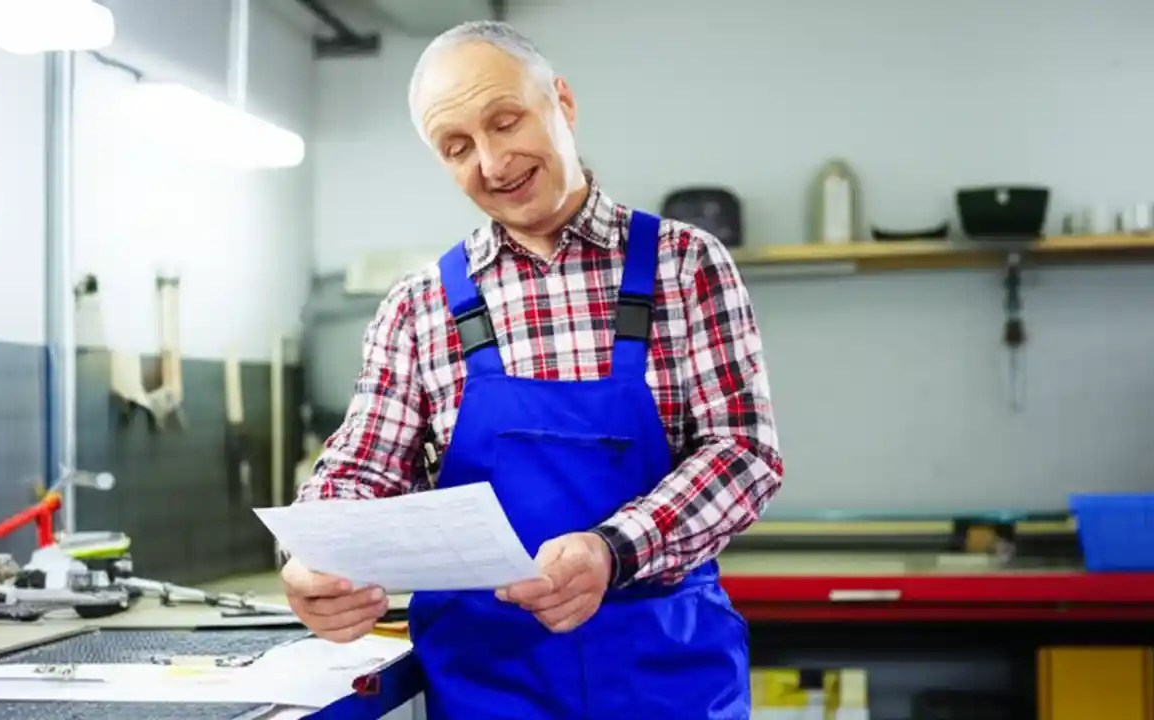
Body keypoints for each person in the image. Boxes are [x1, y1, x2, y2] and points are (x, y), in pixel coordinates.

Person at [282, 19, 784, 719]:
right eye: (457, 147)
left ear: (563, 103)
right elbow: (361, 469)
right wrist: (314, 559)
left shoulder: (686, 264)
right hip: (488, 687)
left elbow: (743, 452)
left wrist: (611, 551)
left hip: (667, 678)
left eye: (506, 121)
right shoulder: (419, 306)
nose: (491, 163)